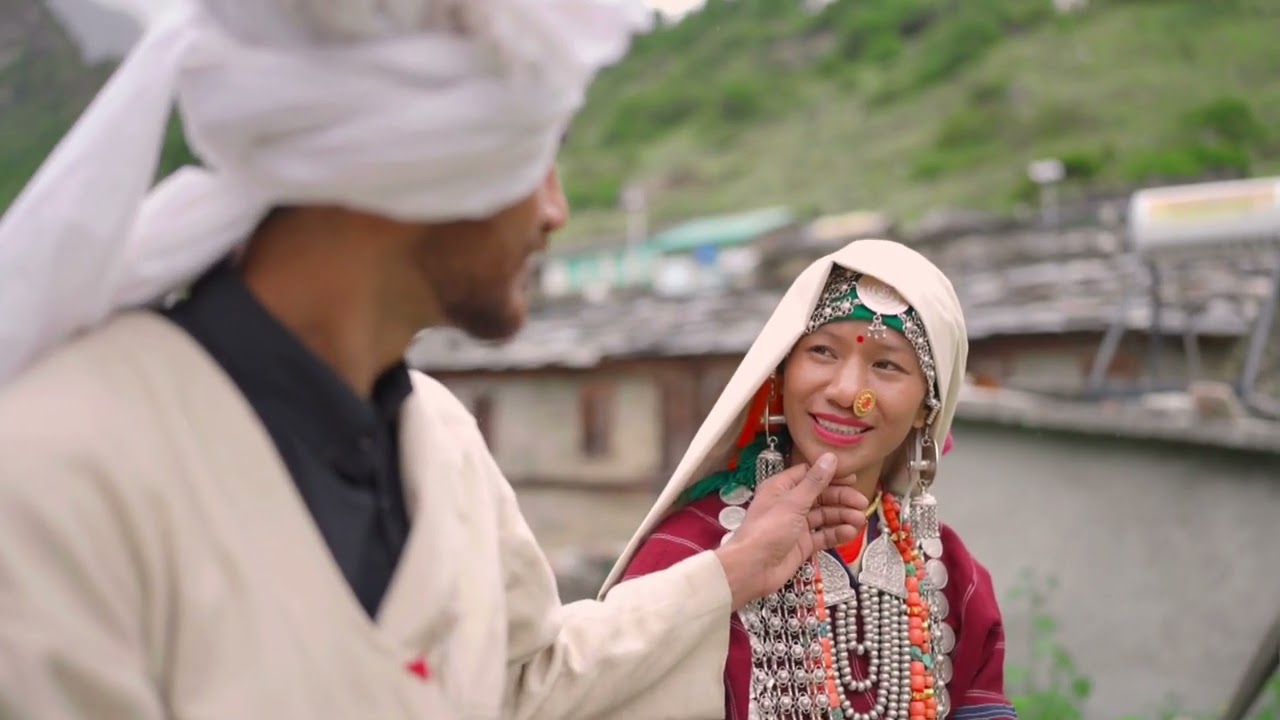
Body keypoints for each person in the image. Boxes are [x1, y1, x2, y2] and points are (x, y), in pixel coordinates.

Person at [0, 1, 871, 718]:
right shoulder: (62, 473)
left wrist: (733, 569)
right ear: (422, 164)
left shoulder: (442, 439)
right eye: (540, 156)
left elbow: (527, 681)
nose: (558, 210)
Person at [601, 239, 1018, 720]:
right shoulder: (690, 552)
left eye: (886, 364)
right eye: (822, 351)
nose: (846, 392)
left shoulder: (951, 578)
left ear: (928, 407)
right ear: (780, 373)